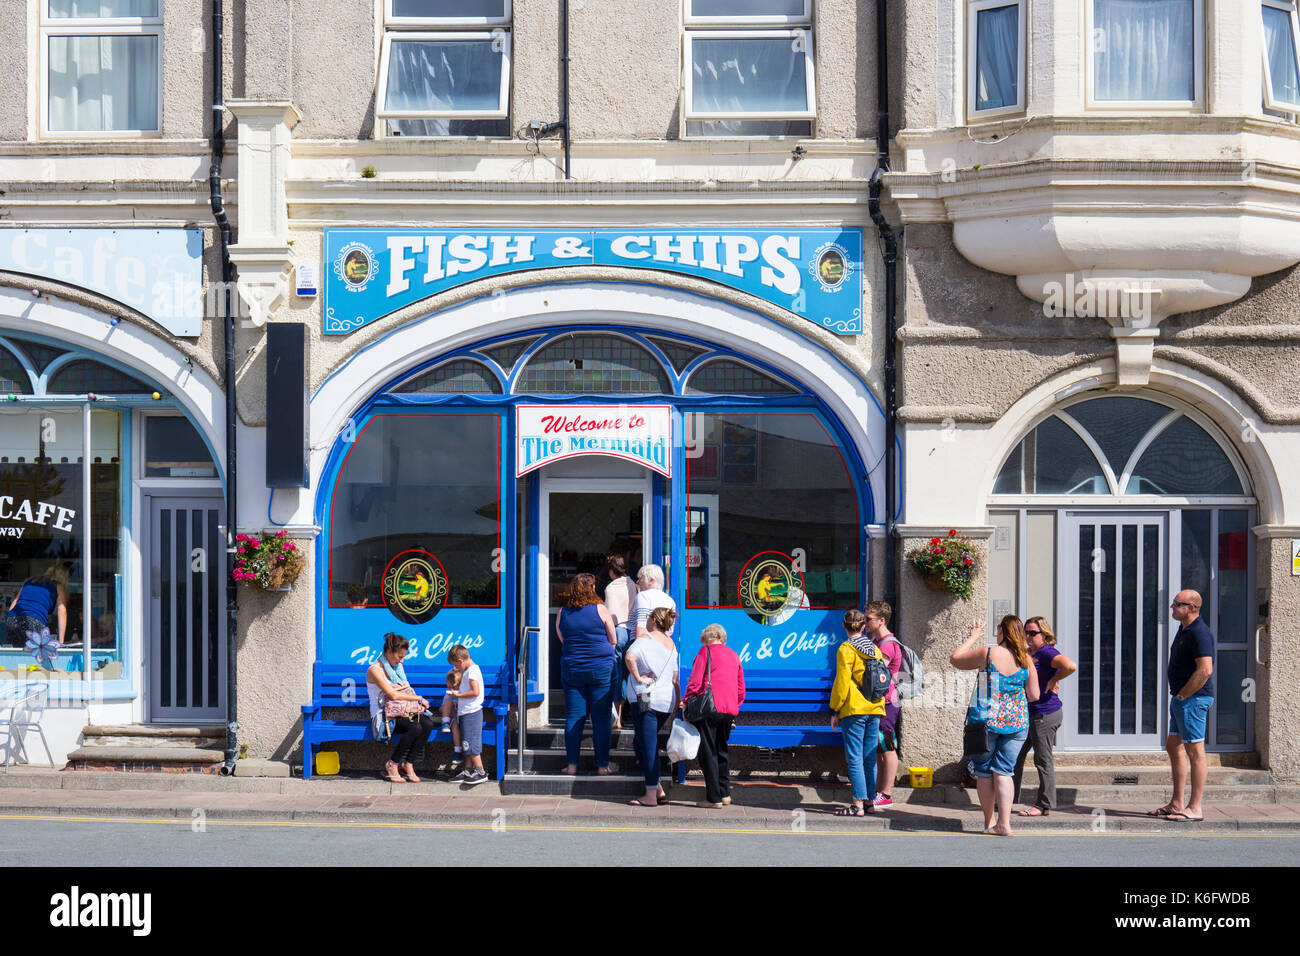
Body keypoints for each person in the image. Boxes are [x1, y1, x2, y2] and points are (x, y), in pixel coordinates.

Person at [950, 616, 1040, 836]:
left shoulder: (988, 653)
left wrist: (973, 637)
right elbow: (1034, 695)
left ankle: (989, 822)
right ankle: (1005, 823)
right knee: (1004, 772)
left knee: (984, 773)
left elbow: (956, 659)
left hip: (986, 722)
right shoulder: (1026, 659)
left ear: (1002, 632)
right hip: (1017, 724)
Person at [1150, 589, 1215, 823]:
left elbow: (1205, 670)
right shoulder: (1184, 629)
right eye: (1173, 603)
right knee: (1173, 745)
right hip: (1181, 699)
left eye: (1178, 604)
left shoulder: (1200, 633)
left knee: (1195, 752)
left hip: (1193, 700)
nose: (1173, 607)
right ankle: (1177, 803)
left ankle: (1195, 807)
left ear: (1193, 608)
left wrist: (1184, 695)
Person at [1013, 616, 1077, 816]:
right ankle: (1008, 797)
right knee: (1015, 755)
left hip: (1045, 714)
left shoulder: (1047, 652)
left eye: (1033, 633)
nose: (1028, 636)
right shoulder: (1031, 653)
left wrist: (1054, 679)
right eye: (1026, 632)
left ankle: (1044, 804)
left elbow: (1070, 665)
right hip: (1031, 714)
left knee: (1043, 759)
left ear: (1044, 634)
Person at [555, 573, 619, 775]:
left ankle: (572, 765)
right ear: (591, 589)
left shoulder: (562, 612)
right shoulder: (600, 609)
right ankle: (602, 766)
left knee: (574, 716)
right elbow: (614, 639)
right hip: (601, 669)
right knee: (601, 718)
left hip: (573, 669)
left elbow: (563, 639)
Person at [829, 609, 888, 816]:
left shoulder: (846, 649)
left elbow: (842, 683)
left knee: (854, 757)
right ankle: (870, 801)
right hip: (875, 708)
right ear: (863, 627)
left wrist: (835, 709)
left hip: (854, 709)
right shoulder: (874, 649)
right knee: (869, 756)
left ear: (843, 626)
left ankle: (857, 804)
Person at [682, 623, 745, 808]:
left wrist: (686, 700)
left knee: (708, 752)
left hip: (710, 709)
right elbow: (741, 688)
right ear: (722, 637)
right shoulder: (733, 655)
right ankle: (725, 793)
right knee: (722, 750)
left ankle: (713, 798)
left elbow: (695, 681)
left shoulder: (705, 651)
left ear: (706, 638)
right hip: (728, 710)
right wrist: (734, 705)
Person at [625, 605, 679, 807]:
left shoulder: (644, 639)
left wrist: (638, 677)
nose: (646, 621)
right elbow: (675, 678)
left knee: (649, 747)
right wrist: (678, 701)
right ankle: (656, 787)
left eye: (648, 617)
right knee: (641, 742)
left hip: (646, 698)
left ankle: (649, 795)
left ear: (654, 621)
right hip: (666, 700)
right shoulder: (671, 644)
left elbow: (629, 657)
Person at [366, 632, 433, 783]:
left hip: (401, 711)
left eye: (403, 657)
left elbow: (405, 691)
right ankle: (392, 764)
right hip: (383, 715)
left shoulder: (397, 667)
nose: (402, 660)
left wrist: (417, 706)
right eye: (399, 656)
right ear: (389, 652)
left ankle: (408, 764)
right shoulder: (375, 670)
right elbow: (394, 695)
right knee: (415, 728)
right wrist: (419, 699)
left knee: (427, 723)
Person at [867, 601, 902, 808]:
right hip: (881, 701)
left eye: (869, 618)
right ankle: (879, 792)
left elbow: (877, 672)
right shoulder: (876, 640)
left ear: (882, 620)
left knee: (887, 745)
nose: (865, 622)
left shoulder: (887, 644)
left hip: (887, 702)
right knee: (880, 748)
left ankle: (886, 793)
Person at [603, 554, 638, 730]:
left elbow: (608, 617)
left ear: (611, 570)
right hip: (631, 633)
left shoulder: (610, 588)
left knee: (615, 675)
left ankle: (615, 718)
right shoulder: (634, 584)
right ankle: (622, 715)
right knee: (626, 675)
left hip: (617, 632)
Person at [445, 644, 489, 785]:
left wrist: (458, 694)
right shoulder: (470, 670)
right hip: (467, 712)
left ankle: (480, 771)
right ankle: (468, 770)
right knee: (467, 743)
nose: (457, 669)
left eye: (456, 666)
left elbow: (475, 691)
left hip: (471, 712)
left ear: (460, 660)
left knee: (471, 743)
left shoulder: (471, 671)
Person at [7, 563, 69, 648]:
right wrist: (61, 642)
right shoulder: (58, 586)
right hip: (33, 620)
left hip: (12, 620)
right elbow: (62, 611)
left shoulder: (30, 581)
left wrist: (10, 618)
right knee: (38, 656)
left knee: (19, 654)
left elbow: (15, 602)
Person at [631, 563, 676, 640]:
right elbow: (670, 631)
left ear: (651, 580)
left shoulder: (643, 596)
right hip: (663, 644)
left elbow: (641, 628)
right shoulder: (670, 601)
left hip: (643, 644)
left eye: (640, 578)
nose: (637, 582)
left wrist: (637, 648)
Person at [439, 667, 464, 770]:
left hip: (463, 717)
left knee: (456, 726)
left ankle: (458, 752)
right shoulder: (448, 694)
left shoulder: (464, 694)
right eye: (448, 687)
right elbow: (441, 708)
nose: (451, 690)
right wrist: (447, 710)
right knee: (454, 726)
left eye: (453, 688)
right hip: (452, 718)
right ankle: (457, 751)